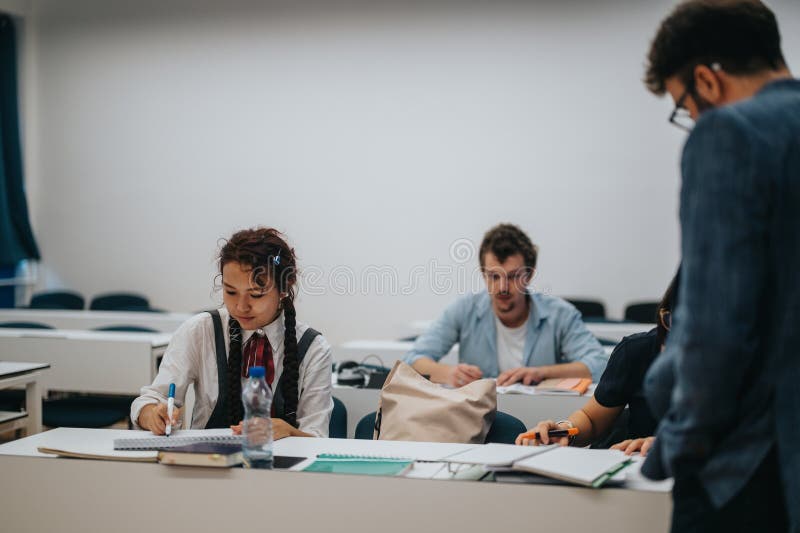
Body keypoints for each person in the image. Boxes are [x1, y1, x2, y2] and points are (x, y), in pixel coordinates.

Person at [641, 1, 798, 531]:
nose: (692, 120)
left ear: (706, 81)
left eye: (683, 106)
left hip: (744, 467)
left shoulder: (728, 135)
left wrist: (678, 442)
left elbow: (716, 331)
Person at [131, 227, 333, 439]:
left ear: (284, 289)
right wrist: (153, 414)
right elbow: (149, 400)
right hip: (207, 465)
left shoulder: (313, 349)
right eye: (230, 292)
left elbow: (316, 436)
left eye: (255, 295)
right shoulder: (200, 331)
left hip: (282, 470)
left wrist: (290, 432)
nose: (240, 306)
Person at [403, 223, 607, 387]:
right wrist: (449, 373)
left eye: (512, 277)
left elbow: (599, 364)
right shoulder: (464, 309)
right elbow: (413, 360)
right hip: (479, 421)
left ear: (529, 275)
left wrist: (542, 373)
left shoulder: (560, 314)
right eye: (493, 276)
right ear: (483, 274)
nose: (502, 287)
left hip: (542, 418)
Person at [515, 272, 678, 454]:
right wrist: (565, 430)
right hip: (636, 471)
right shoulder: (636, 351)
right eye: (670, 322)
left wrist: (672, 443)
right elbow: (591, 419)